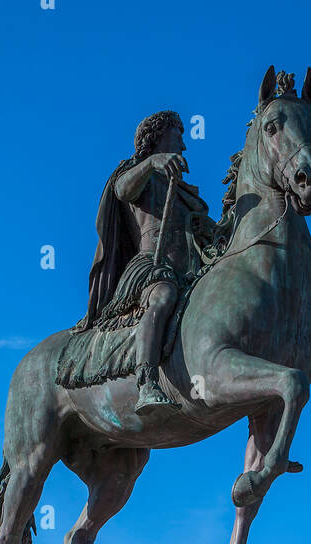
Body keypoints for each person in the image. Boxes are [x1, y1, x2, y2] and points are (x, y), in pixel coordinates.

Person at [78, 109, 217, 415]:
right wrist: (151, 163)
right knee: (163, 295)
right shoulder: (134, 171)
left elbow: (206, 232)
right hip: (150, 266)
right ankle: (147, 381)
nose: (184, 145)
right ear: (158, 137)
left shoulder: (183, 192)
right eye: (179, 135)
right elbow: (123, 189)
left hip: (190, 271)